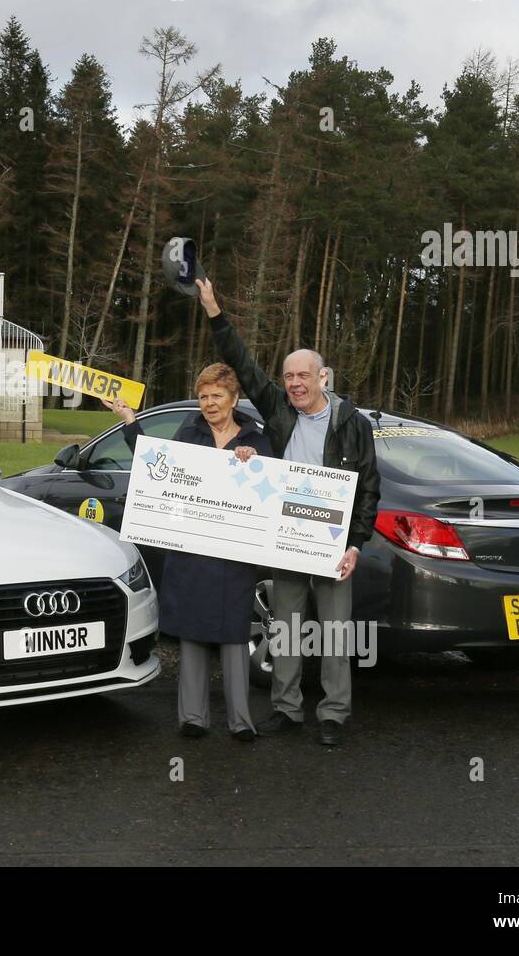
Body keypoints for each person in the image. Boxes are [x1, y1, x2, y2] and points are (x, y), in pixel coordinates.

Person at [194, 278, 380, 747]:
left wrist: (356, 543)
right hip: (286, 536)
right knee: (288, 627)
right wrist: (215, 310)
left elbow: (369, 489)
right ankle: (287, 708)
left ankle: (334, 713)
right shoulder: (279, 410)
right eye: (289, 376)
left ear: (323, 378)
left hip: (333, 543)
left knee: (335, 632)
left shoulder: (352, 424)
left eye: (304, 376)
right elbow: (241, 362)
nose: (295, 383)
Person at [104, 363, 272, 742]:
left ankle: (241, 721)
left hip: (233, 557)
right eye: (203, 396)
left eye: (216, 396)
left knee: (233, 636)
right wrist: (130, 421)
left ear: (234, 399)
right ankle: (192, 718)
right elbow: (155, 464)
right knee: (192, 635)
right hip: (191, 552)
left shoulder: (256, 439)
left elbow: (271, 487)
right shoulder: (189, 431)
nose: (209, 404)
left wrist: (255, 462)